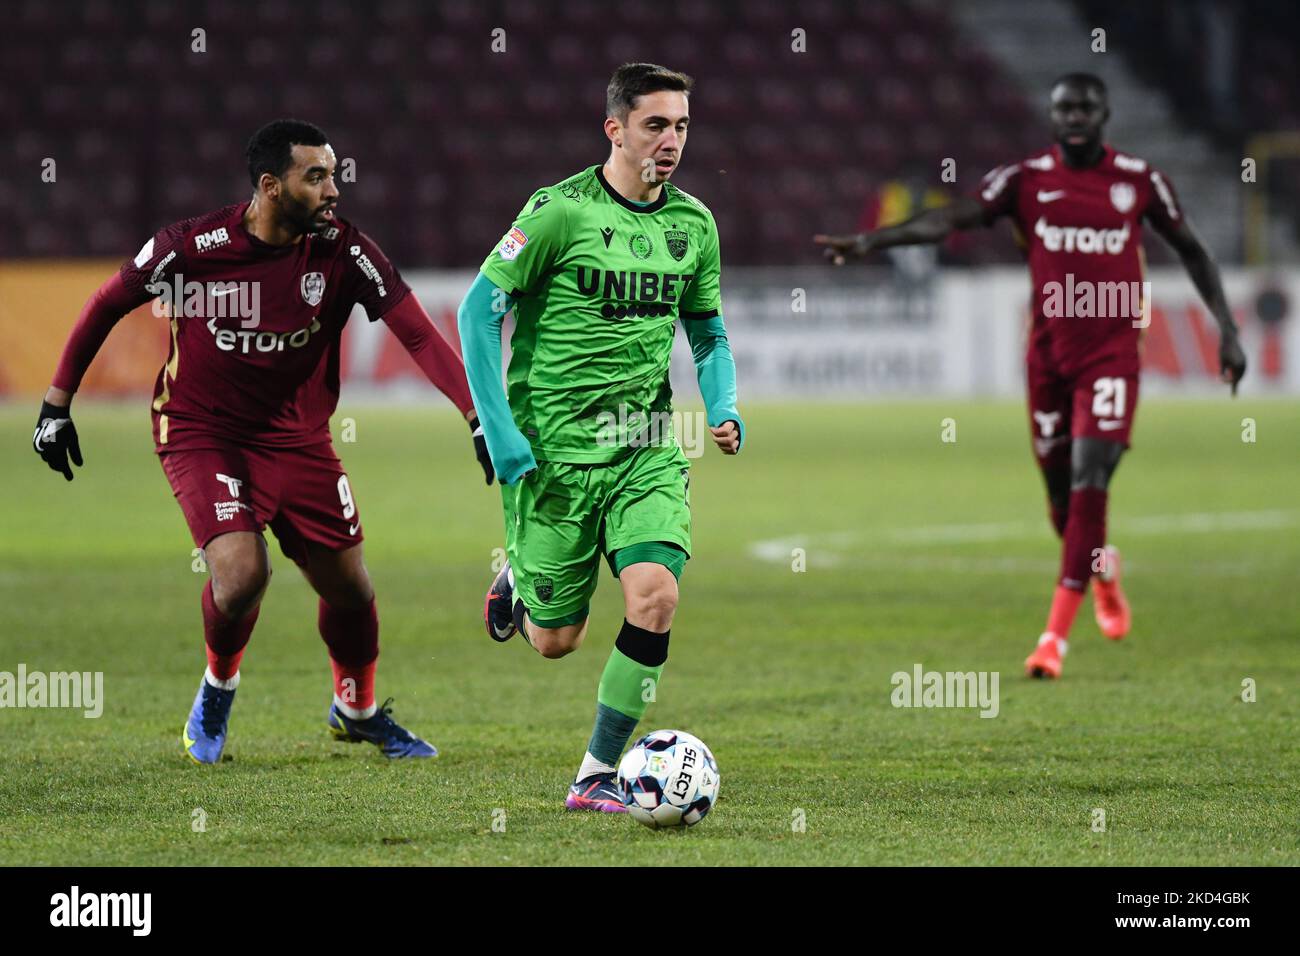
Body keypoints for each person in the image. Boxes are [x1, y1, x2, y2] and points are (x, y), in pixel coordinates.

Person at [32, 119, 492, 760]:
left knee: (352, 590)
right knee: (244, 572)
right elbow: (107, 303)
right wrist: (57, 404)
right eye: (317, 176)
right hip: (202, 431)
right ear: (272, 187)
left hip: (299, 438)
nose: (334, 189)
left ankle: (354, 710)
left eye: (334, 173)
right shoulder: (192, 248)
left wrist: (478, 416)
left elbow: (416, 333)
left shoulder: (344, 251)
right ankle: (218, 686)